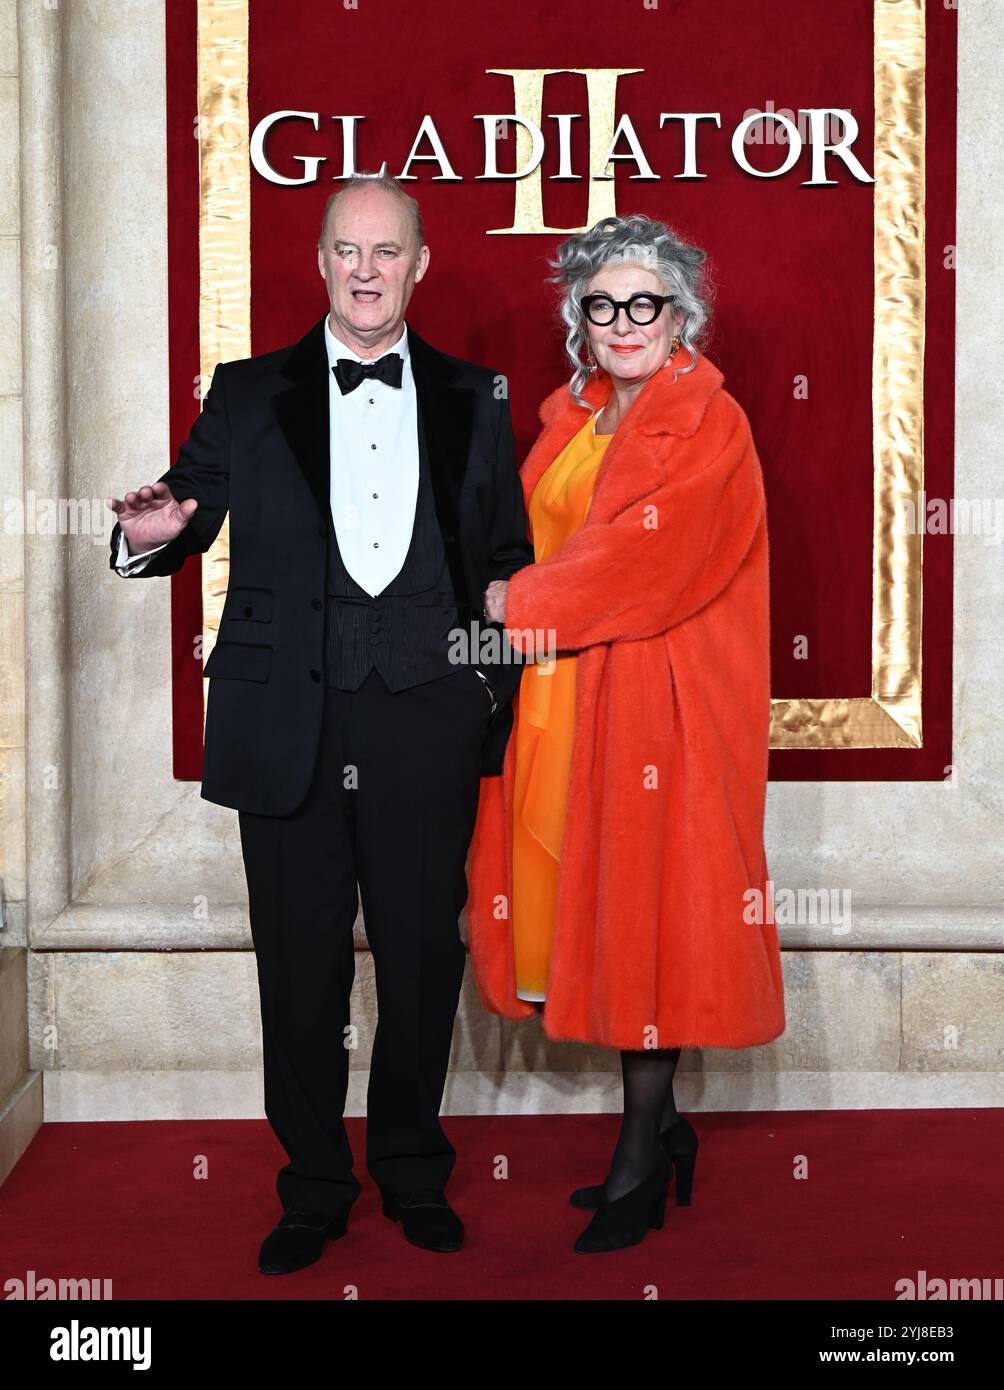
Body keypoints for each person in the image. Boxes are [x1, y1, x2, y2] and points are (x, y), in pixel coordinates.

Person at [105, 172, 533, 1273]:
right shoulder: (249, 391)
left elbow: (504, 566)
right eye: (346, 248)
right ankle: (312, 1185)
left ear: (419, 264)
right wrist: (154, 527)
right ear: (320, 262)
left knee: (419, 961)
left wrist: (483, 701)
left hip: (422, 720)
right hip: (288, 717)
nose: (365, 269)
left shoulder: (473, 392)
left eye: (386, 250)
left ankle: (410, 1170)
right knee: (299, 970)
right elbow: (180, 512)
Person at [471, 213, 786, 1253]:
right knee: (597, 909)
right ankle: (670, 1134)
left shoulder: (711, 423)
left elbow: (643, 574)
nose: (621, 323)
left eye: (641, 303)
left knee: (650, 920)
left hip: (664, 714)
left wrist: (507, 605)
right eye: (600, 305)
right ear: (579, 315)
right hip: (568, 704)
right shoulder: (574, 416)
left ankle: (640, 1157)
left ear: (679, 310)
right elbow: (538, 537)